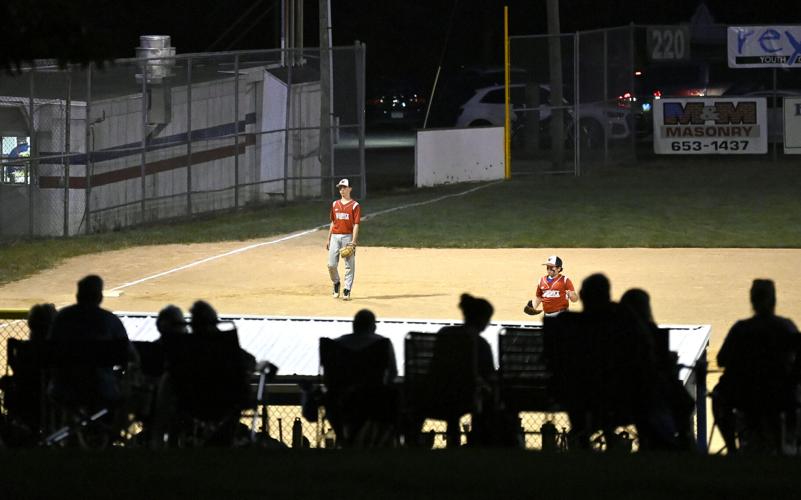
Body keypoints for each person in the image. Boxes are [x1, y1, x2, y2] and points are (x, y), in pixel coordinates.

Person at [712, 279, 801, 454]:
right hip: (782, 395)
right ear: (774, 301)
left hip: (745, 396)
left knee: (717, 396)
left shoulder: (741, 328)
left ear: (752, 301)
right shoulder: (786, 326)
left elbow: (721, 359)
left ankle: (731, 448)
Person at [47, 275, 138, 411]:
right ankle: (112, 430)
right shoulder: (109, 320)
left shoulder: (62, 318)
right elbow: (131, 355)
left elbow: (49, 350)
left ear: (78, 295)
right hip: (101, 388)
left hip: (64, 389)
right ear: (99, 297)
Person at [326, 178, 361, 301]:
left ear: (350, 189)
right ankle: (336, 282)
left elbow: (356, 224)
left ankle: (347, 289)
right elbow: (332, 222)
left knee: (349, 265)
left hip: (348, 237)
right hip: (335, 236)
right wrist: (328, 238)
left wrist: (354, 241)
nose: (342, 190)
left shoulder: (355, 205)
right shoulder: (335, 204)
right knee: (331, 265)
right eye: (340, 188)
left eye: (344, 187)